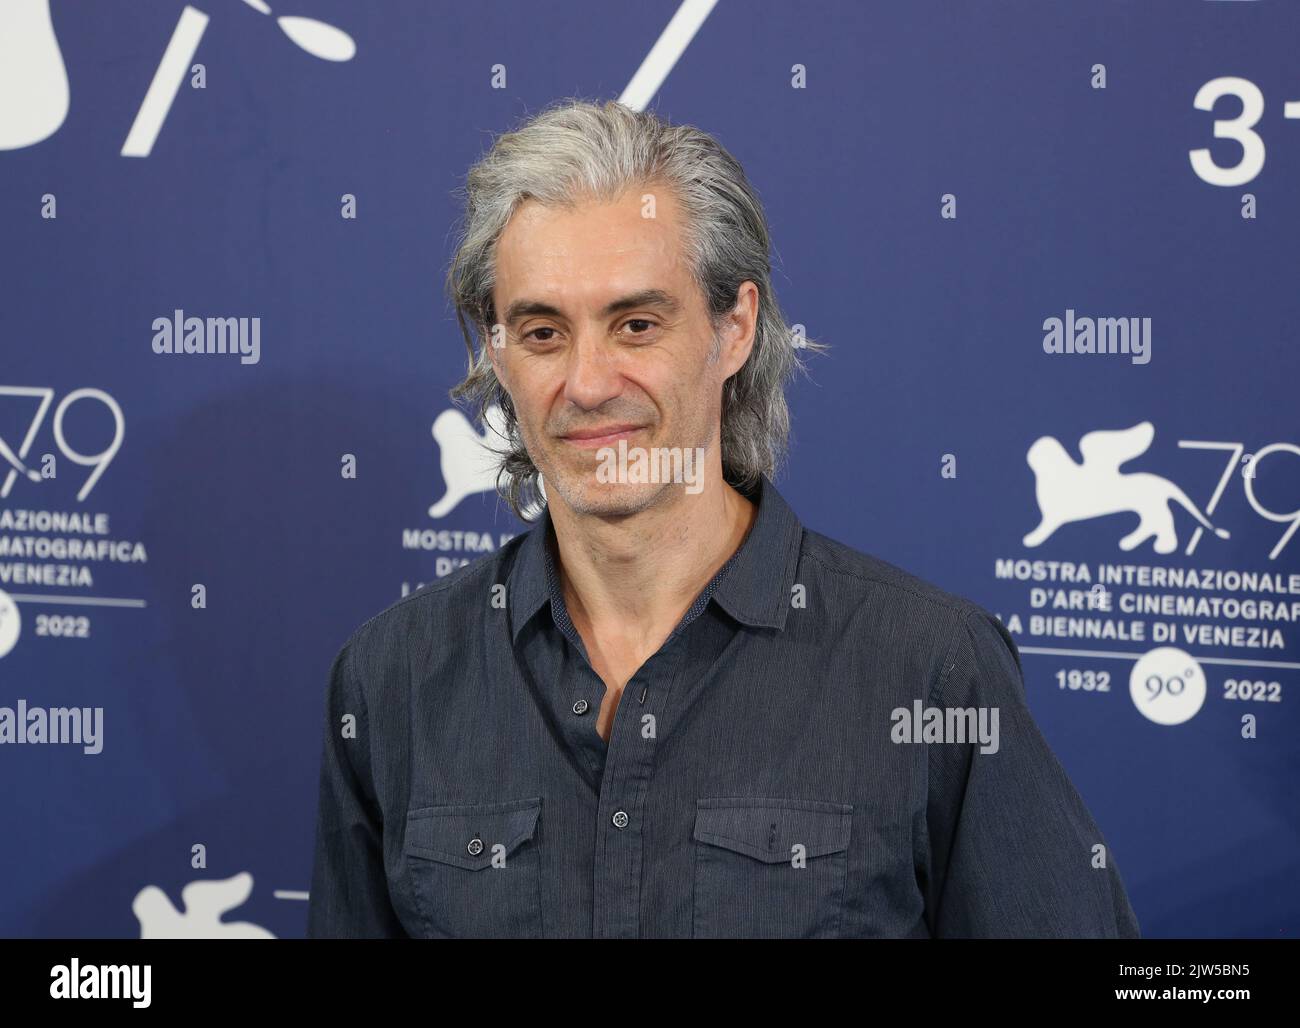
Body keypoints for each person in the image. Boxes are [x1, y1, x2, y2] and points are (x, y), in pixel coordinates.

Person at [306, 98, 1140, 939]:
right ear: (497, 354)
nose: (588, 383)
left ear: (733, 328)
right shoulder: (392, 681)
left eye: (636, 324)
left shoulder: (928, 667)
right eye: (543, 332)